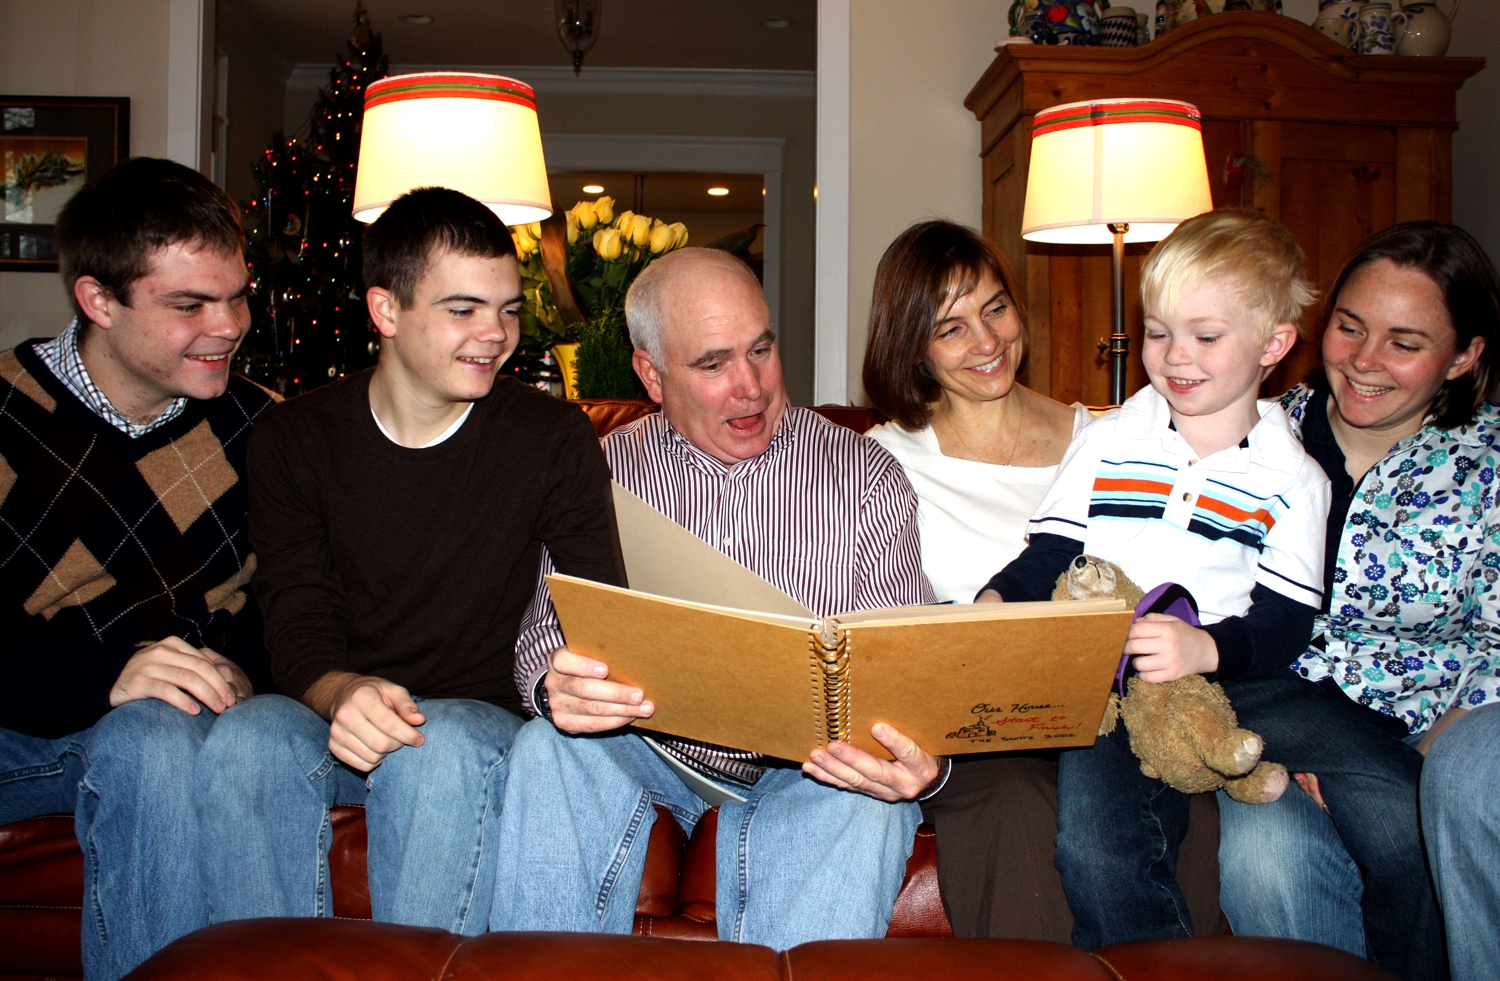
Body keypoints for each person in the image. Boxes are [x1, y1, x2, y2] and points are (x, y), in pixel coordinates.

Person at [195, 188, 624, 934]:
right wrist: (340, 690)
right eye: (463, 309)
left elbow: (597, 611)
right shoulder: (295, 439)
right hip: (336, 719)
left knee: (441, 744)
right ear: (386, 312)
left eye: (509, 309)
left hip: (477, 725)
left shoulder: (552, 438)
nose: (497, 334)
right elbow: (296, 620)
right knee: (248, 736)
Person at [490, 247, 940, 950]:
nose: (751, 386)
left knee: (870, 810)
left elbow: (900, 660)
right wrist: (556, 686)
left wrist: (912, 748)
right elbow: (543, 633)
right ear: (651, 373)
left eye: (762, 349)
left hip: (810, 766)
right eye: (713, 363)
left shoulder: (865, 476)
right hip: (647, 743)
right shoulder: (599, 469)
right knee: (548, 750)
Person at [978, 208, 1331, 950]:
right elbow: (1051, 556)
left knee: (1387, 782)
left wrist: (1205, 650)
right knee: (1096, 842)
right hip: (1100, 685)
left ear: (1274, 344)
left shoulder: (1294, 477)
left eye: (1205, 336)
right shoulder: (1109, 438)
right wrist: (996, 600)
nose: (1175, 356)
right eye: (1159, 331)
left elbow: (1285, 622)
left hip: (1216, 683)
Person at [0, 157, 274, 979]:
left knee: (157, 739)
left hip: (176, 732)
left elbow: (289, 605)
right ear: (98, 299)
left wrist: (241, 668)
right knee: (150, 735)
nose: (228, 325)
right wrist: (108, 676)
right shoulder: (6, 414)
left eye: (236, 295)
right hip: (21, 730)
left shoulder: (260, 428)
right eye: (189, 304)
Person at [1218, 220, 1500, 981]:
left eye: (1405, 343)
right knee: (1263, 851)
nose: (1365, 361)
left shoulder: (1490, 465)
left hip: (1433, 737)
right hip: (1276, 721)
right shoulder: (1246, 434)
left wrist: (1435, 744)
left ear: (1465, 354)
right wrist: (1310, 741)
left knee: (1416, 822)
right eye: (1349, 327)